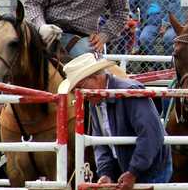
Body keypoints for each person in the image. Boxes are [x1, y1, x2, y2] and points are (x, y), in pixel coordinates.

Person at [58, 53, 172, 188]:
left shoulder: (128, 92)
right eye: (76, 90)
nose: (80, 93)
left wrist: (133, 171)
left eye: (80, 87)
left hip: (150, 169)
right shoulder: (96, 99)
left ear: (96, 78)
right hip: (131, 168)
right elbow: (101, 142)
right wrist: (106, 173)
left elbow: (151, 134)